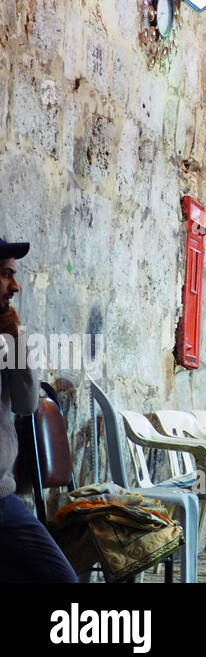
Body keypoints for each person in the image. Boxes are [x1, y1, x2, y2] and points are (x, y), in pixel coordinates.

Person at [0, 236, 77, 582]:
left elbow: (27, 403)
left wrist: (15, 339)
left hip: (2, 498)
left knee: (60, 577)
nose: (14, 286)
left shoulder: (5, 337)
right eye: (5, 274)